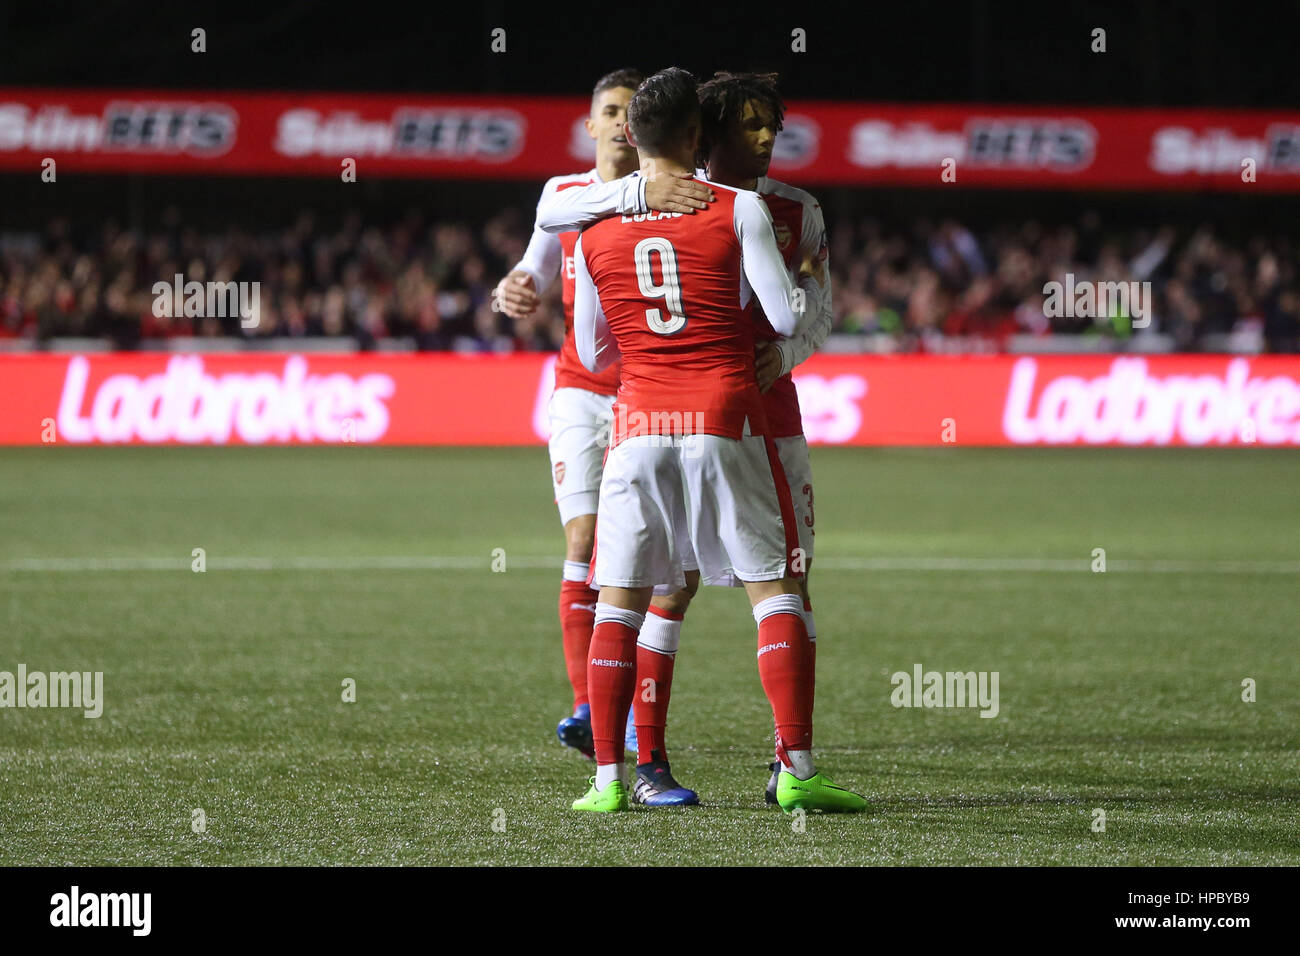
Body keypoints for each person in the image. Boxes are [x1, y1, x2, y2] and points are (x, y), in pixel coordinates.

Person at [570, 67, 865, 814]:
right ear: (705, 135)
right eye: (748, 124)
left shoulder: (796, 209)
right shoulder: (734, 213)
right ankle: (669, 763)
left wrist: (786, 354)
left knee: (646, 594)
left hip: (677, 418)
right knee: (741, 589)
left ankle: (617, 776)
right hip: (727, 414)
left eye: (774, 125)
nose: (765, 137)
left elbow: (817, 316)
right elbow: (791, 308)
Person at [494, 69, 712, 763]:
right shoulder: (563, 194)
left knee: (660, 569)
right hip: (583, 393)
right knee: (585, 538)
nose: (620, 122)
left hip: (655, 397)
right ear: (589, 126)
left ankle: (628, 711)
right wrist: (515, 288)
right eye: (609, 111)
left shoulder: (673, 193)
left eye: (630, 111)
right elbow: (533, 260)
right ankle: (589, 709)